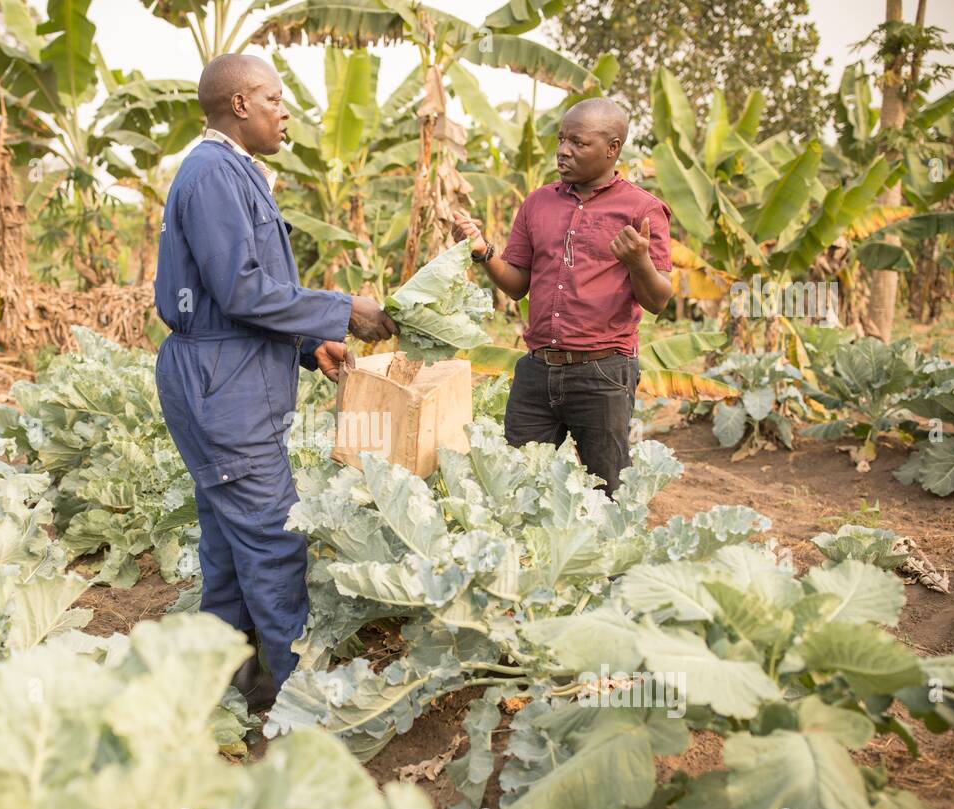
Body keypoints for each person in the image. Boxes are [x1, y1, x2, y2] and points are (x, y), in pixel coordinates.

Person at [154, 54, 398, 710]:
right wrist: (344, 311)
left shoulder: (233, 171)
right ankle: (301, 705)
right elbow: (238, 290)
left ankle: (231, 682)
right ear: (239, 106)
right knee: (269, 536)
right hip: (222, 385)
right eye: (273, 98)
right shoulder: (211, 175)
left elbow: (244, 292)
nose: (284, 111)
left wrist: (304, 342)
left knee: (230, 544)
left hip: (228, 374)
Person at [452, 97, 674, 497]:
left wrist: (639, 261)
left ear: (612, 149)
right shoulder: (538, 202)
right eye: (561, 139)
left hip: (603, 373)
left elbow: (659, 300)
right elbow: (518, 283)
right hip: (537, 373)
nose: (563, 150)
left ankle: (611, 561)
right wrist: (482, 250)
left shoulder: (642, 209)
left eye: (578, 142)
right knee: (515, 487)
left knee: (608, 491)